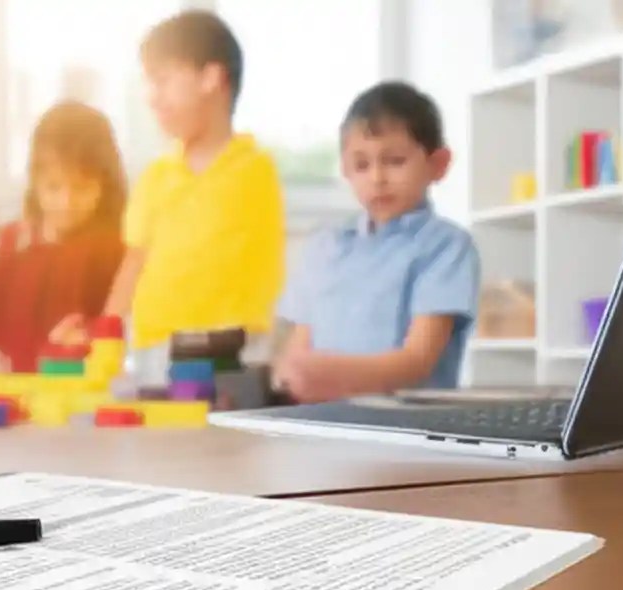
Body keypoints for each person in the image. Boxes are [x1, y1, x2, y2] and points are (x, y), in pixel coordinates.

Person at [102, 10, 286, 384]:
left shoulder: (254, 169)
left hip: (233, 351)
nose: (152, 97)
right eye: (149, 84)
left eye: (163, 81)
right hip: (157, 350)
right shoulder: (156, 177)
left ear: (210, 78)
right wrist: (107, 337)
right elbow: (133, 264)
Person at [274, 81, 481, 403]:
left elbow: (417, 361)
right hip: (322, 426)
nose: (377, 178)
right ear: (345, 169)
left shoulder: (446, 247)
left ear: (437, 165)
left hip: (410, 432)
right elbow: (297, 355)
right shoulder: (324, 248)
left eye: (395, 161)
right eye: (361, 165)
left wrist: (328, 374)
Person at [0, 102, 127, 374]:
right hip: (11, 391)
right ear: (35, 181)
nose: (66, 202)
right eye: (53, 187)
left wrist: (84, 339)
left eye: (81, 188)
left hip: (75, 394)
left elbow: (118, 324)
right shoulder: (14, 242)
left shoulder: (112, 248)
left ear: (105, 183)